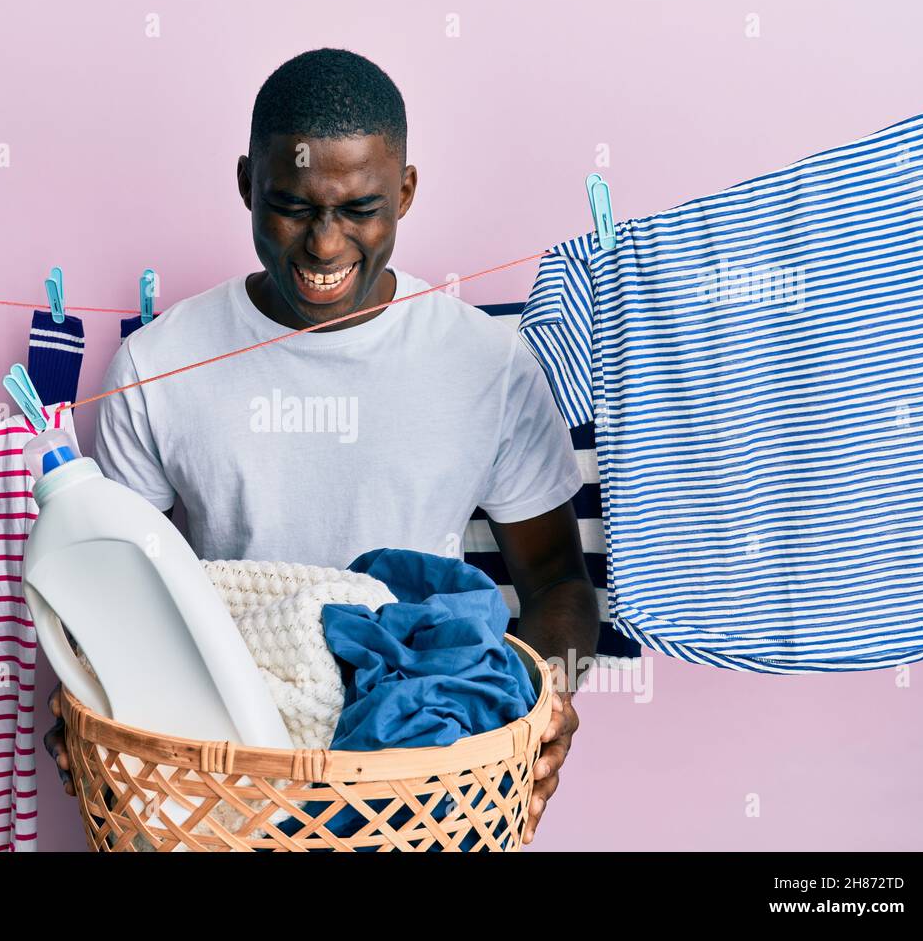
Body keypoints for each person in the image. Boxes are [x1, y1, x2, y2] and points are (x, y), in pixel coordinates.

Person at [46, 47, 598, 845]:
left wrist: (550, 704)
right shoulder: (158, 364)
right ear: (246, 184)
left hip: (421, 780)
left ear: (406, 193)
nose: (327, 246)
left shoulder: (488, 364)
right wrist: (81, 704)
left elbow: (556, 581)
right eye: (294, 207)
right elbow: (111, 594)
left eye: (361, 209)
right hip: (220, 781)